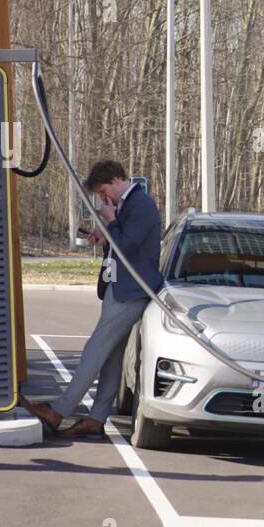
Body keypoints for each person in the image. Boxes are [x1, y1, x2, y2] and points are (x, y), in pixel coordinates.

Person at [21, 160, 164, 438]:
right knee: (111, 358)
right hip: (121, 288)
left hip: (130, 292)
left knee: (94, 351)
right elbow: (122, 239)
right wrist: (103, 234)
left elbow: (128, 247)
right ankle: (97, 418)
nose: (103, 199)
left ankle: (58, 411)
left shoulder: (141, 204)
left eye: (102, 192)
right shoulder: (129, 203)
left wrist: (110, 221)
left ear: (114, 181)